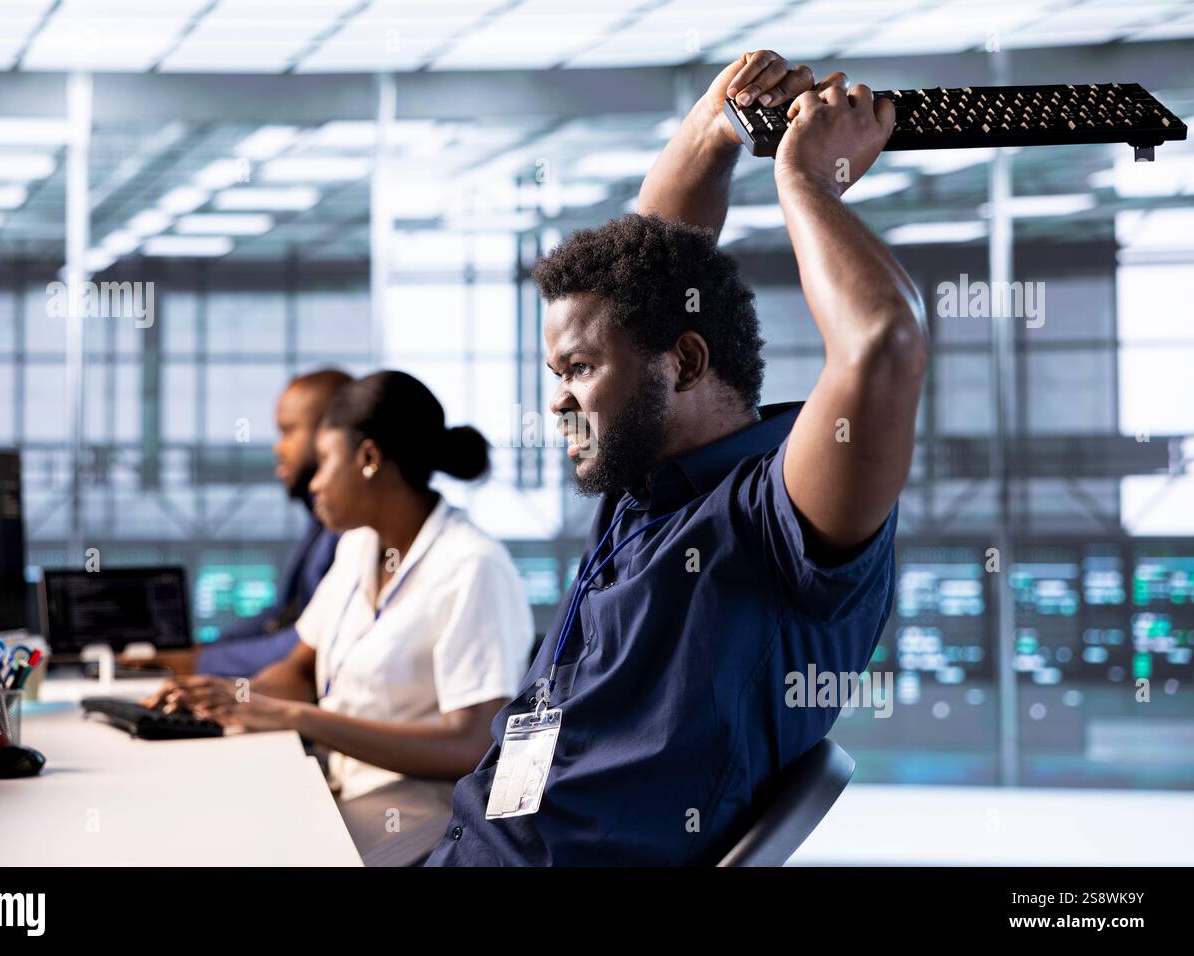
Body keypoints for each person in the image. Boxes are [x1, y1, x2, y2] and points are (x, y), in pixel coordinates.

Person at [426, 50, 927, 865]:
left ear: (686, 366)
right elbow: (653, 259)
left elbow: (883, 346)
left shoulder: (779, 513)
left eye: (579, 371)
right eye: (557, 374)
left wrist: (807, 178)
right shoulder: (644, 493)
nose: (557, 400)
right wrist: (719, 123)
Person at [151, 371, 534, 861]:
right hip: (343, 787)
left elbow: (473, 746)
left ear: (369, 459)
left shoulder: (472, 565)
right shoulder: (359, 546)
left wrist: (299, 718)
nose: (313, 483)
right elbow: (300, 669)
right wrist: (223, 699)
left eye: (325, 462)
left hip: (422, 810)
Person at [123, 368, 351, 677]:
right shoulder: (320, 524)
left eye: (288, 430)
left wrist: (195, 663)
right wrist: (201, 651)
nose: (277, 447)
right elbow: (282, 616)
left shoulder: (356, 530)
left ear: (331, 432)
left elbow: (308, 641)